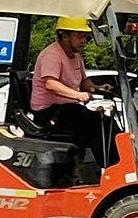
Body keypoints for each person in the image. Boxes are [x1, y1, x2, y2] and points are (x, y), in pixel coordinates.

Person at [30, 16, 112, 162]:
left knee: (105, 122)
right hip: (48, 111)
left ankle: (112, 162)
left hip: (67, 108)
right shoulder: (52, 55)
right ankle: (105, 164)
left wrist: (97, 88)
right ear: (65, 36)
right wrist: (78, 95)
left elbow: (84, 82)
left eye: (85, 37)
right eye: (80, 36)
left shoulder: (76, 56)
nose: (84, 41)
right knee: (93, 123)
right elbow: (51, 84)